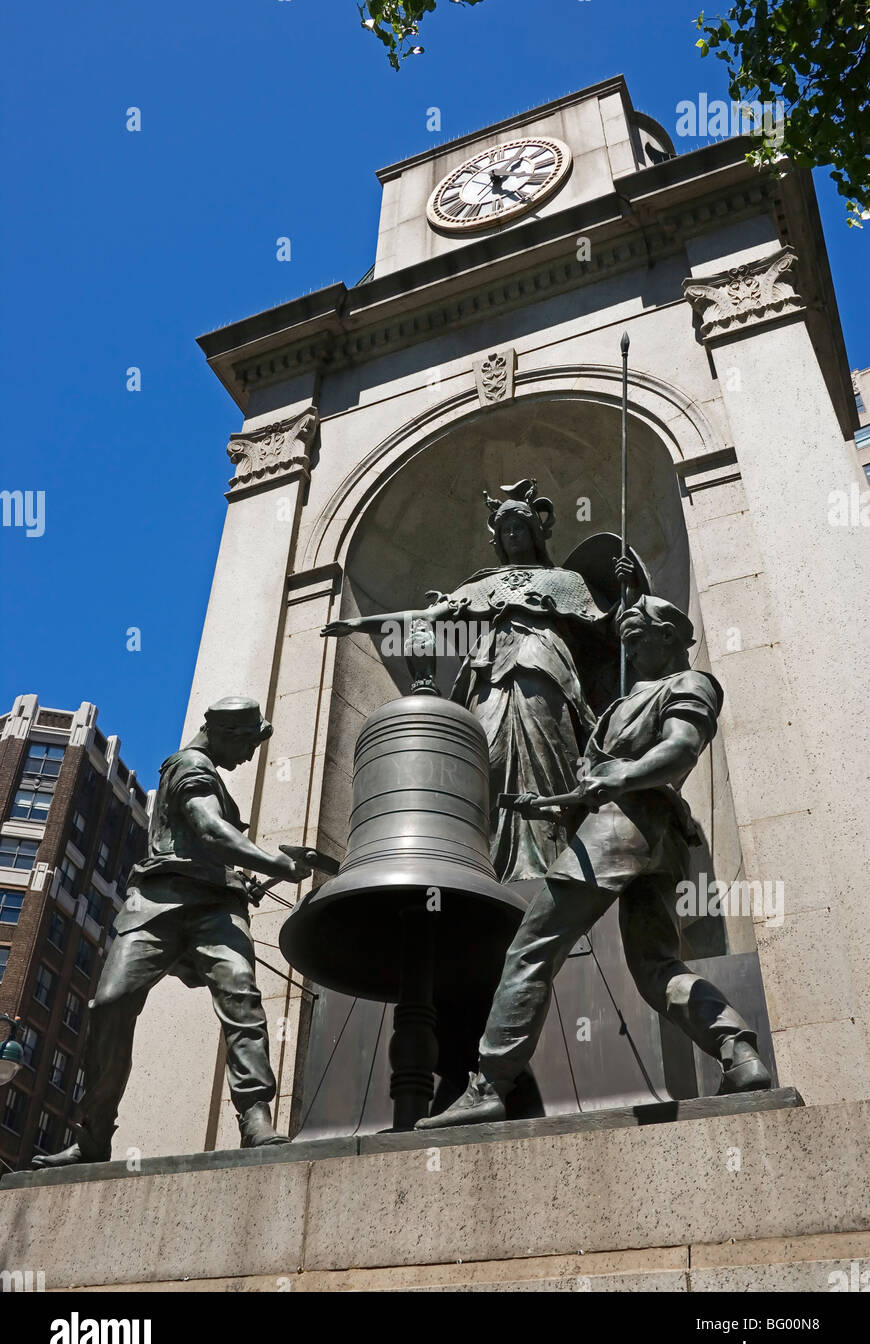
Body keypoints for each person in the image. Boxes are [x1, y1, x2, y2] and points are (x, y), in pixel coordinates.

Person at [415, 596, 771, 1130]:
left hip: (626, 826)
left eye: (637, 634)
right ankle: (739, 1054)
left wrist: (620, 779)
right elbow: (602, 777)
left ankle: (489, 1085)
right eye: (623, 636)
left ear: (672, 637)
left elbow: (680, 749)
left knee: (533, 944)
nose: (627, 644)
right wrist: (561, 799)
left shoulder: (690, 685)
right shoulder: (627, 702)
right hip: (648, 837)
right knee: (655, 969)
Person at [32, 697, 316, 1168]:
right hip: (157, 904)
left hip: (214, 908)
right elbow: (209, 831)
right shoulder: (192, 766)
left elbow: (206, 847)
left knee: (240, 999)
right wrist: (280, 864)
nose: (247, 757)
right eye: (247, 744)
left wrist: (239, 876)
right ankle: (94, 1135)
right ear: (225, 732)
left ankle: (256, 1119)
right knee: (111, 1003)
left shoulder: (204, 773)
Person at [323, 479, 641, 882]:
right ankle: (488, 866)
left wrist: (628, 589)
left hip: (544, 666)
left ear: (535, 533)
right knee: (487, 756)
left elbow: (616, 631)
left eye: (520, 527)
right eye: (506, 529)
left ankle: (552, 860)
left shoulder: (565, 582)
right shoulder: (483, 584)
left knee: (548, 753)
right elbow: (425, 619)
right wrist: (360, 622)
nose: (513, 535)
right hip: (489, 675)